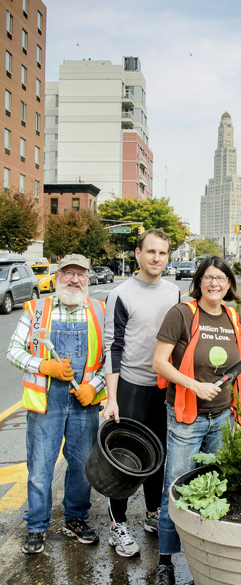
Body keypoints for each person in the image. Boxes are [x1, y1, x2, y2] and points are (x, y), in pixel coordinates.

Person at [150, 256, 241, 585]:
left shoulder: (233, 316)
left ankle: (206, 559)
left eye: (220, 278)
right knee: (174, 490)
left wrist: (234, 408)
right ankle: (166, 565)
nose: (214, 283)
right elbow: (159, 362)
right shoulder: (183, 314)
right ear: (199, 281)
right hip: (187, 416)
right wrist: (193, 385)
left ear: (229, 284)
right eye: (208, 277)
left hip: (220, 417)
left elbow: (235, 368)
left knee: (213, 489)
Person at [6, 253, 107, 555]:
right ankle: (36, 525)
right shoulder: (37, 310)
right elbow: (13, 351)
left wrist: (94, 386)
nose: (75, 280)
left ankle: (75, 519)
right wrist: (43, 366)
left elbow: (110, 360)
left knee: (81, 465)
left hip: (83, 403)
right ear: (57, 276)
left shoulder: (100, 311)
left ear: (88, 278)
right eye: (68, 273)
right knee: (40, 466)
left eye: (81, 274)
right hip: (45, 404)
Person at [103, 229, 180, 557]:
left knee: (158, 456)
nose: (156, 258)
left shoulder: (175, 292)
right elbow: (112, 347)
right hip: (131, 386)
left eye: (162, 253)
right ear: (137, 253)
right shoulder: (121, 293)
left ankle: (151, 514)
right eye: (150, 252)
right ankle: (117, 524)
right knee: (124, 458)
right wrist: (112, 398)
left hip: (162, 389)